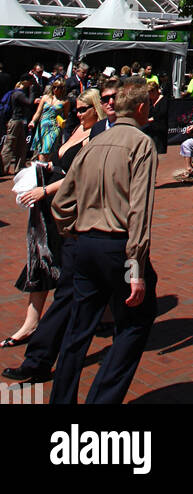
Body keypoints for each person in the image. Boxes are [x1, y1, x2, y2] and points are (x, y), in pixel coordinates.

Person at [48, 80, 159, 405]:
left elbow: (61, 203)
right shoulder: (141, 144)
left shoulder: (95, 142)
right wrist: (136, 269)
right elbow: (139, 210)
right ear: (141, 108)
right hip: (119, 249)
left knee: (78, 330)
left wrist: (74, 231)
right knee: (136, 321)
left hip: (85, 245)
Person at [2, 89, 105, 352]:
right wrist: (46, 168)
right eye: (77, 109)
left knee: (65, 268)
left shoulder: (98, 135)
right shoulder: (77, 128)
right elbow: (64, 167)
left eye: (84, 109)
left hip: (73, 212)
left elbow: (79, 176)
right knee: (40, 262)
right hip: (54, 208)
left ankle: (100, 316)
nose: (79, 113)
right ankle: (30, 323)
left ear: (96, 108)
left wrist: (45, 189)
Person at [1, 78, 39, 175]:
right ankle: (3, 168)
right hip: (15, 121)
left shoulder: (15, 93)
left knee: (22, 145)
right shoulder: (19, 94)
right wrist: (32, 92)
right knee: (9, 145)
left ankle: (19, 167)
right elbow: (29, 102)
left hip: (18, 121)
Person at [143, 77, 169, 156]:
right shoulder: (149, 101)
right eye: (148, 92)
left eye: (151, 91)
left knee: (159, 152)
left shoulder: (164, 100)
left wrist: (151, 119)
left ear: (156, 90)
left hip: (160, 130)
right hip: (150, 130)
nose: (150, 94)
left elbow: (162, 114)